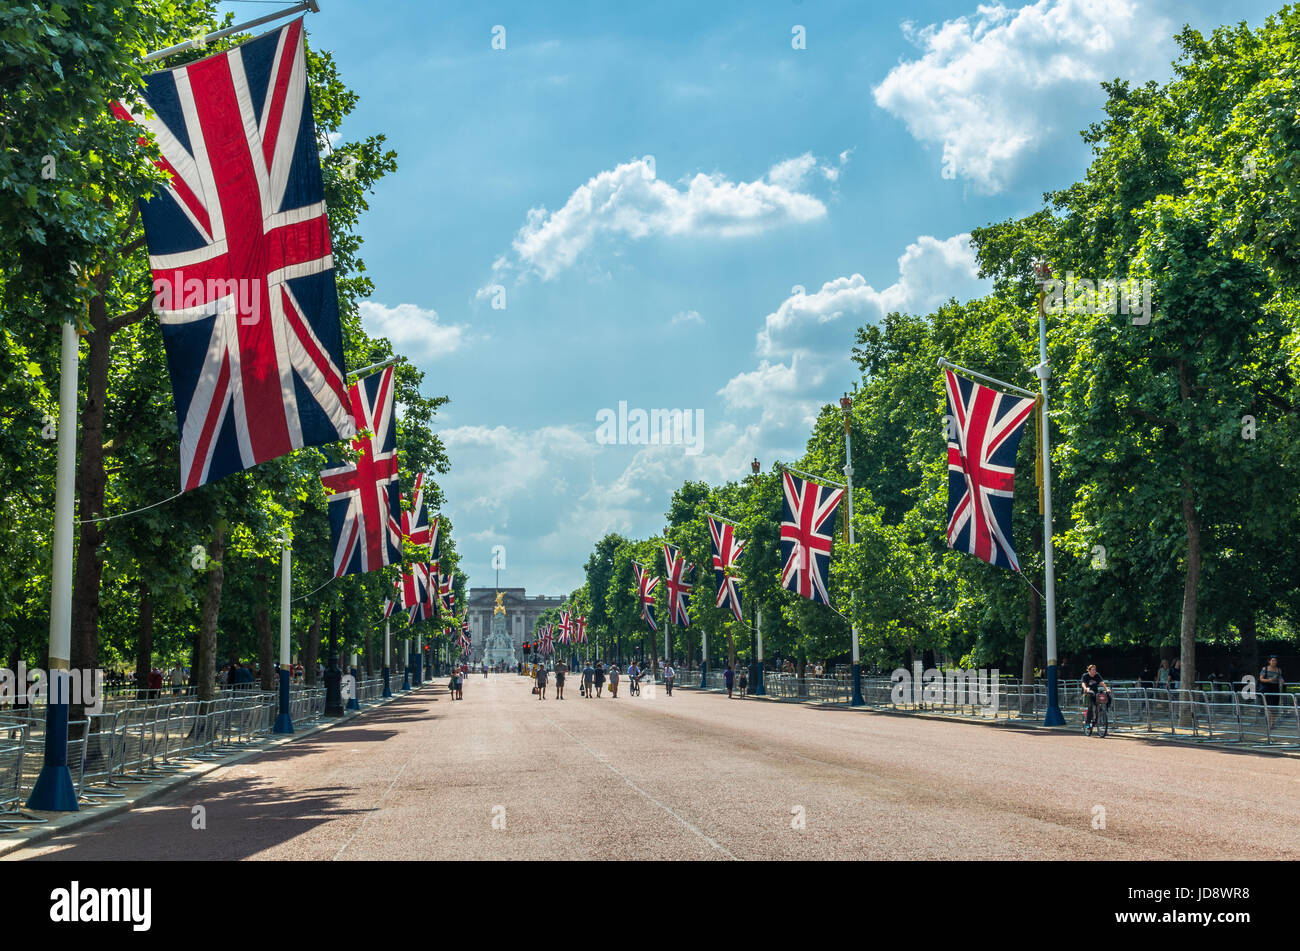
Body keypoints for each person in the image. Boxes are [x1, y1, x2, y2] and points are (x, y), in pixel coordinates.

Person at [1081, 664, 1108, 736]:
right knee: (1089, 707)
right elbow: (1083, 683)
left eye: (1095, 670)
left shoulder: (1097, 675)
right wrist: (1085, 689)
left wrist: (1107, 689)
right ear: (1089, 670)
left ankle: (1096, 720)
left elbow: (1102, 682)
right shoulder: (1085, 676)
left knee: (1098, 705)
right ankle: (1087, 723)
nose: (1094, 671)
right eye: (1092, 670)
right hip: (1087, 693)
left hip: (1095, 693)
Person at [1260, 655, 1284, 722]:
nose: (1274, 662)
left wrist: (1281, 680)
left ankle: (1272, 721)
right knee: (1268, 705)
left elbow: (1280, 677)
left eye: (1275, 660)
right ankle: (1270, 722)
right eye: (1273, 660)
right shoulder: (1265, 669)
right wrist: (1269, 680)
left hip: (1276, 688)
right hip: (1267, 688)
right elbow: (1261, 679)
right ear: (1269, 661)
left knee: (1275, 705)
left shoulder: (1279, 670)